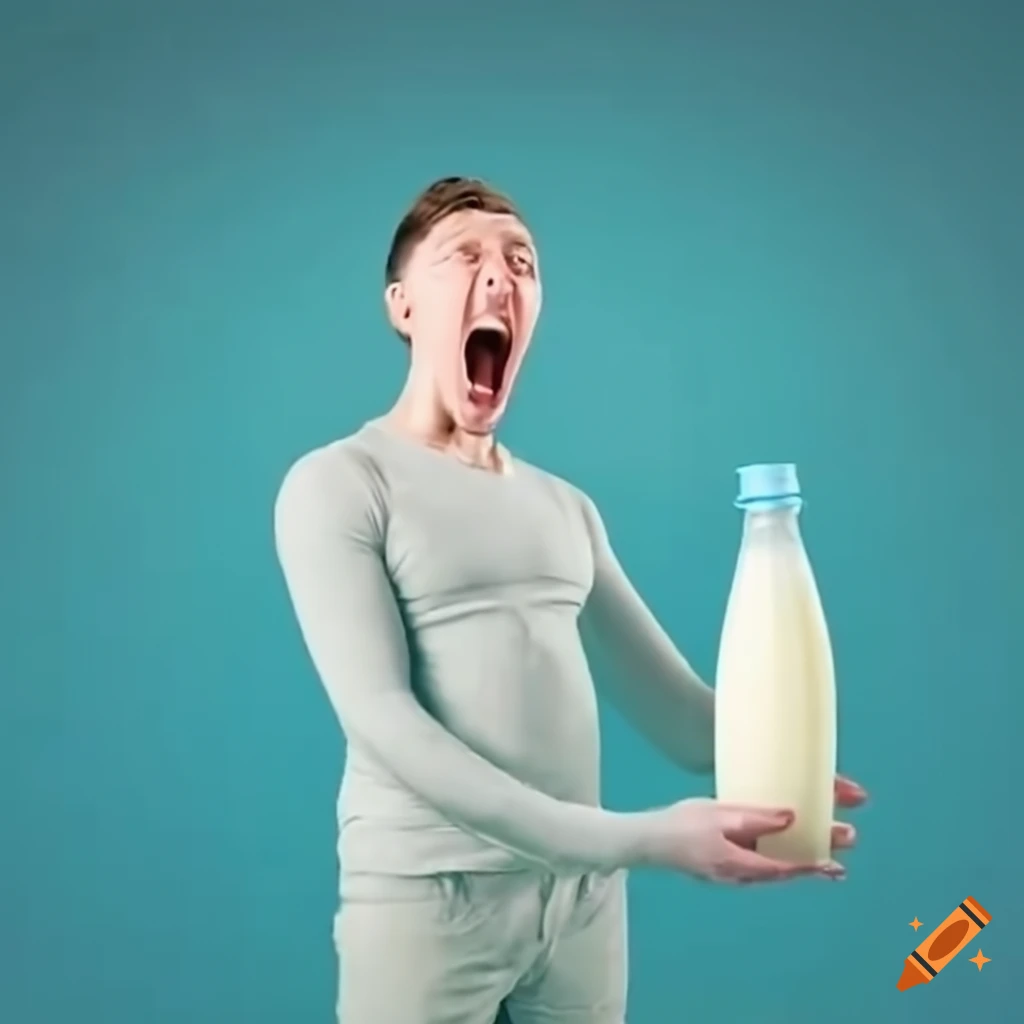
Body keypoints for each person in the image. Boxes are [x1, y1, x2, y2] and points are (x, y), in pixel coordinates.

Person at [273, 176, 867, 1024]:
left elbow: (684, 722)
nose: (500, 278)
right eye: (464, 257)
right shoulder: (338, 484)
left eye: (522, 262)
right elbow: (386, 726)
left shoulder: (565, 508)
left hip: (584, 904)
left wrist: (785, 774)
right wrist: (646, 839)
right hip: (429, 898)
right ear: (402, 306)